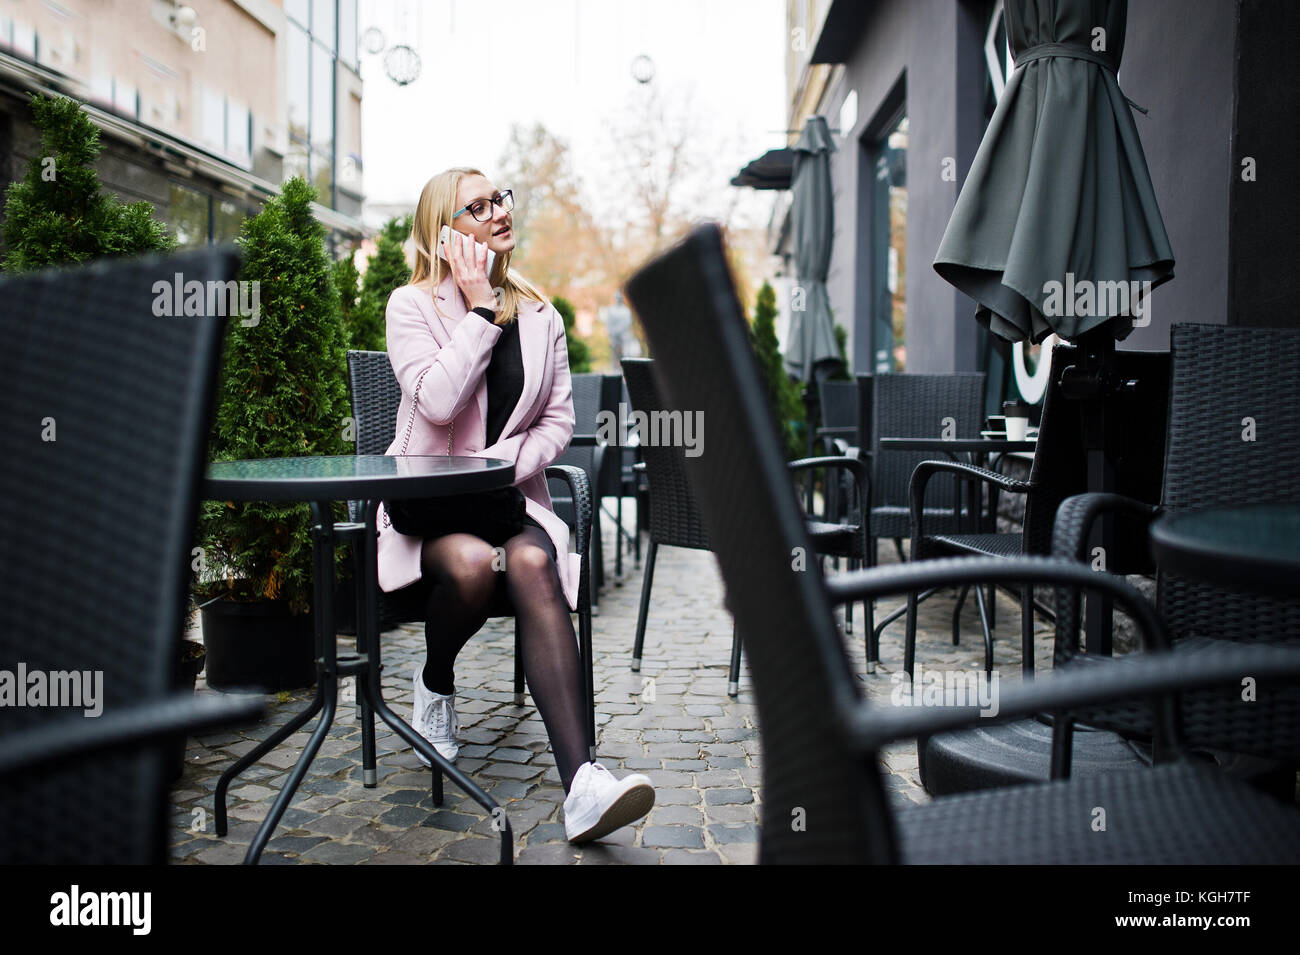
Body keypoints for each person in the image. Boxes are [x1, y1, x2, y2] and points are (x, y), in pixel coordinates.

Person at [374, 167, 653, 843]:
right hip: (428, 502)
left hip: (504, 499)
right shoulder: (410, 306)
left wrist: (504, 465)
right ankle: (436, 683)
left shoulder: (541, 315)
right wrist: (475, 308)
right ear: (446, 234)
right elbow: (436, 402)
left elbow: (558, 421)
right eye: (479, 205)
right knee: (470, 567)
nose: (499, 210)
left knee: (534, 562)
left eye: (500, 197)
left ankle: (582, 784)